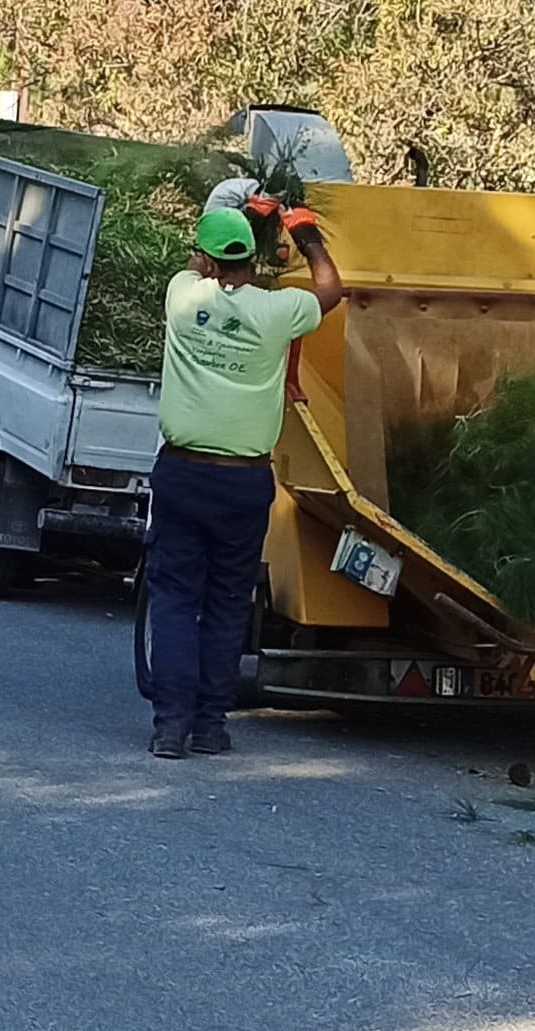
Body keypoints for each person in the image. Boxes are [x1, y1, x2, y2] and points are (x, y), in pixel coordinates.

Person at [145, 200, 343, 759]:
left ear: (206, 260)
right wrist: (302, 234)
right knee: (228, 602)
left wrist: (247, 220)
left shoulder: (182, 296)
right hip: (243, 482)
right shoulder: (277, 311)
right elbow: (332, 288)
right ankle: (210, 726)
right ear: (253, 263)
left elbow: (202, 260)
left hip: (182, 474)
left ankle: (170, 727)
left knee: (176, 600)